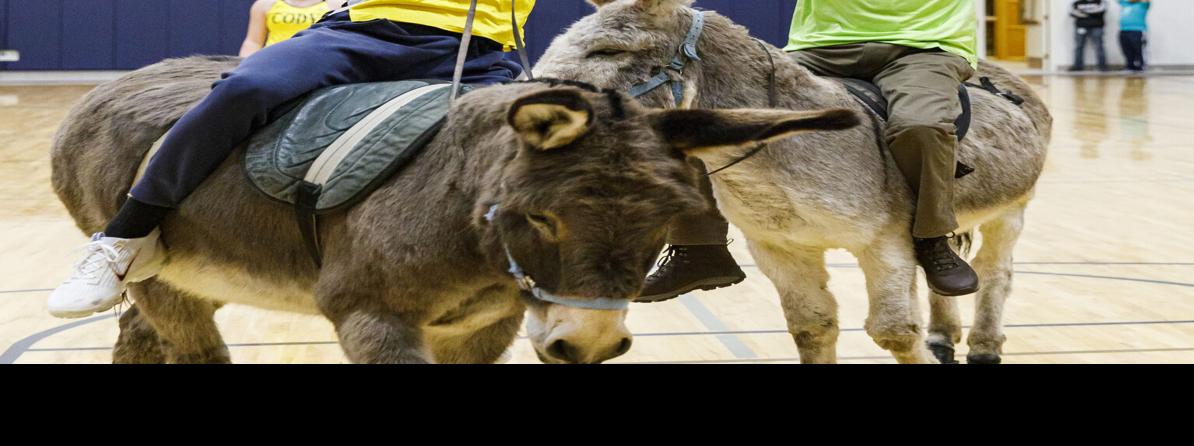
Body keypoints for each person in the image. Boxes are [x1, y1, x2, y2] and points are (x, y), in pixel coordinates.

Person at [48, 0, 536, 319]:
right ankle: (125, 237)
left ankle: (545, 267)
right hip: (362, 33)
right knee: (244, 88)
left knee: (538, 148)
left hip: (478, 50)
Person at [637, 0, 982, 303]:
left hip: (924, 47)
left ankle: (932, 238)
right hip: (823, 46)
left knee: (919, 126)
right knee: (707, 112)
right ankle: (699, 248)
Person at [240, 0, 345, 57]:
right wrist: (241, 65)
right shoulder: (264, 4)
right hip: (272, 62)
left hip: (314, 61)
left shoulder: (336, 4)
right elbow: (253, 42)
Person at [1069, 0, 1108, 72]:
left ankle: (1102, 66)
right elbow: (1072, 13)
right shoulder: (1077, 2)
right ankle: (1077, 66)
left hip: (1097, 27)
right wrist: (1091, 13)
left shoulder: (1100, 2)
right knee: (1079, 47)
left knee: (1099, 46)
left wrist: (1083, 12)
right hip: (1081, 27)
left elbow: (1101, 11)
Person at [1117, 0, 1150, 73]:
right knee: (1126, 49)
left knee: (1138, 48)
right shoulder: (1125, 3)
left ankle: (1141, 66)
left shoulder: (1142, 4)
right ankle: (1130, 66)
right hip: (1124, 29)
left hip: (1137, 30)